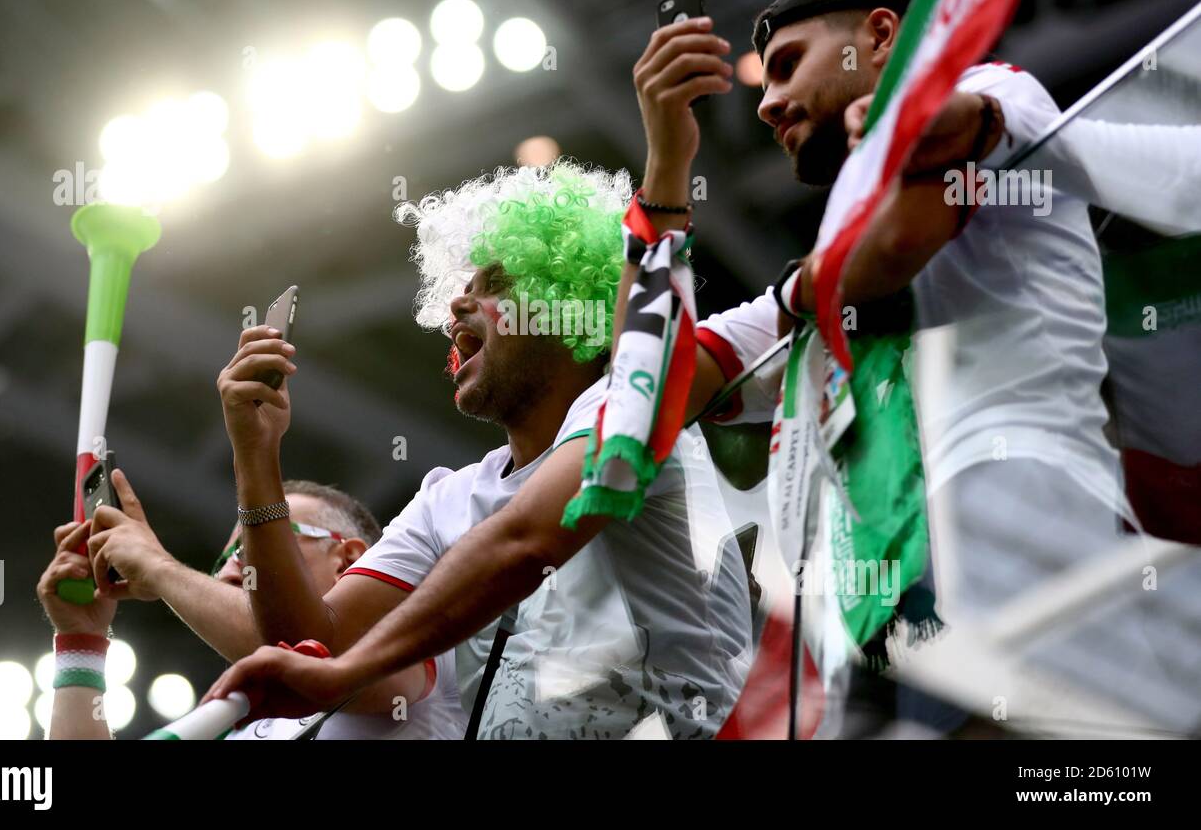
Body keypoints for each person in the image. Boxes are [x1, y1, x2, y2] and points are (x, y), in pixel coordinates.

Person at [625, 0, 1123, 734]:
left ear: (882, 35)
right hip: (881, 611)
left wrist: (798, 298)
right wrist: (665, 167)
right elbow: (652, 394)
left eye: (786, 65)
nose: (767, 104)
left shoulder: (998, 93)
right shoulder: (816, 268)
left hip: (1021, 547)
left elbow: (885, 253)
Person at [203, 160, 752, 739]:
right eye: (456, 291)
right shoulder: (448, 498)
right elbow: (311, 638)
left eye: (492, 285)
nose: (455, 311)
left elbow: (520, 542)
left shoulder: (639, 417)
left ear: (568, 309)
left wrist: (351, 669)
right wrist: (256, 458)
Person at [37, 477, 465, 739]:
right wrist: (82, 643)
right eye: (222, 560)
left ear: (348, 560)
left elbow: (307, 645)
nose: (227, 572)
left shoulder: (410, 641)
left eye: (250, 550)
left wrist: (158, 567)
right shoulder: (227, 725)